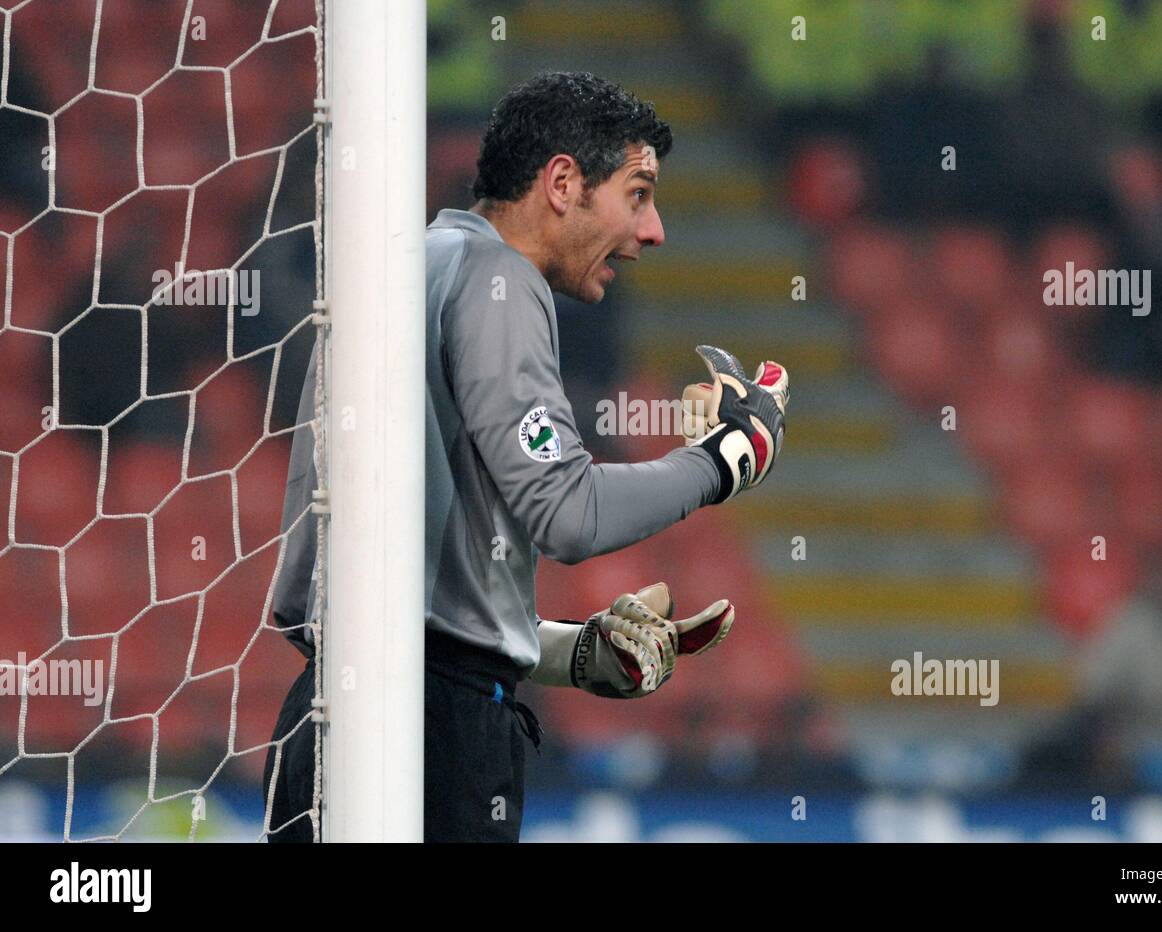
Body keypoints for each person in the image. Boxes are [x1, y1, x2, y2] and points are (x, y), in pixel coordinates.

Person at [262, 71, 789, 842]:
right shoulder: (497, 280)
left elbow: (403, 603)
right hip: (436, 746)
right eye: (638, 195)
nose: (654, 231)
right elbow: (565, 512)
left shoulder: (402, 267)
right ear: (564, 182)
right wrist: (727, 457)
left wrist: (565, 654)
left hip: (325, 724)